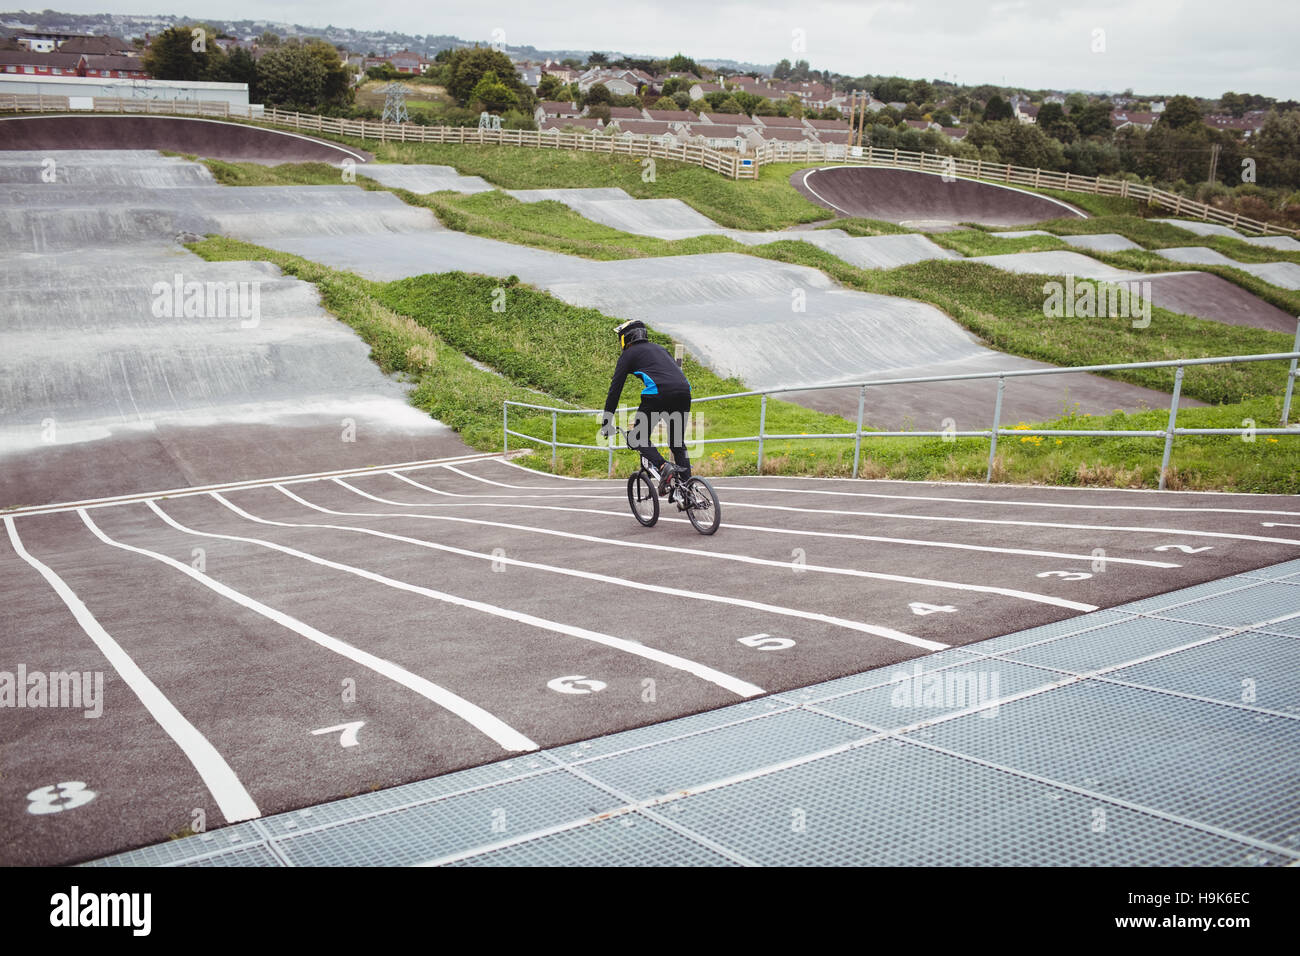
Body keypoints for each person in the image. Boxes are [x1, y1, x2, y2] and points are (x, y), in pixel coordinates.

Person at [600, 319, 692, 493]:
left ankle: (663, 466)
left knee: (636, 438)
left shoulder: (628, 355)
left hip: (658, 393)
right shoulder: (660, 349)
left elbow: (615, 391)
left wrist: (606, 422)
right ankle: (688, 491)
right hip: (684, 392)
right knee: (677, 443)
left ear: (626, 338)